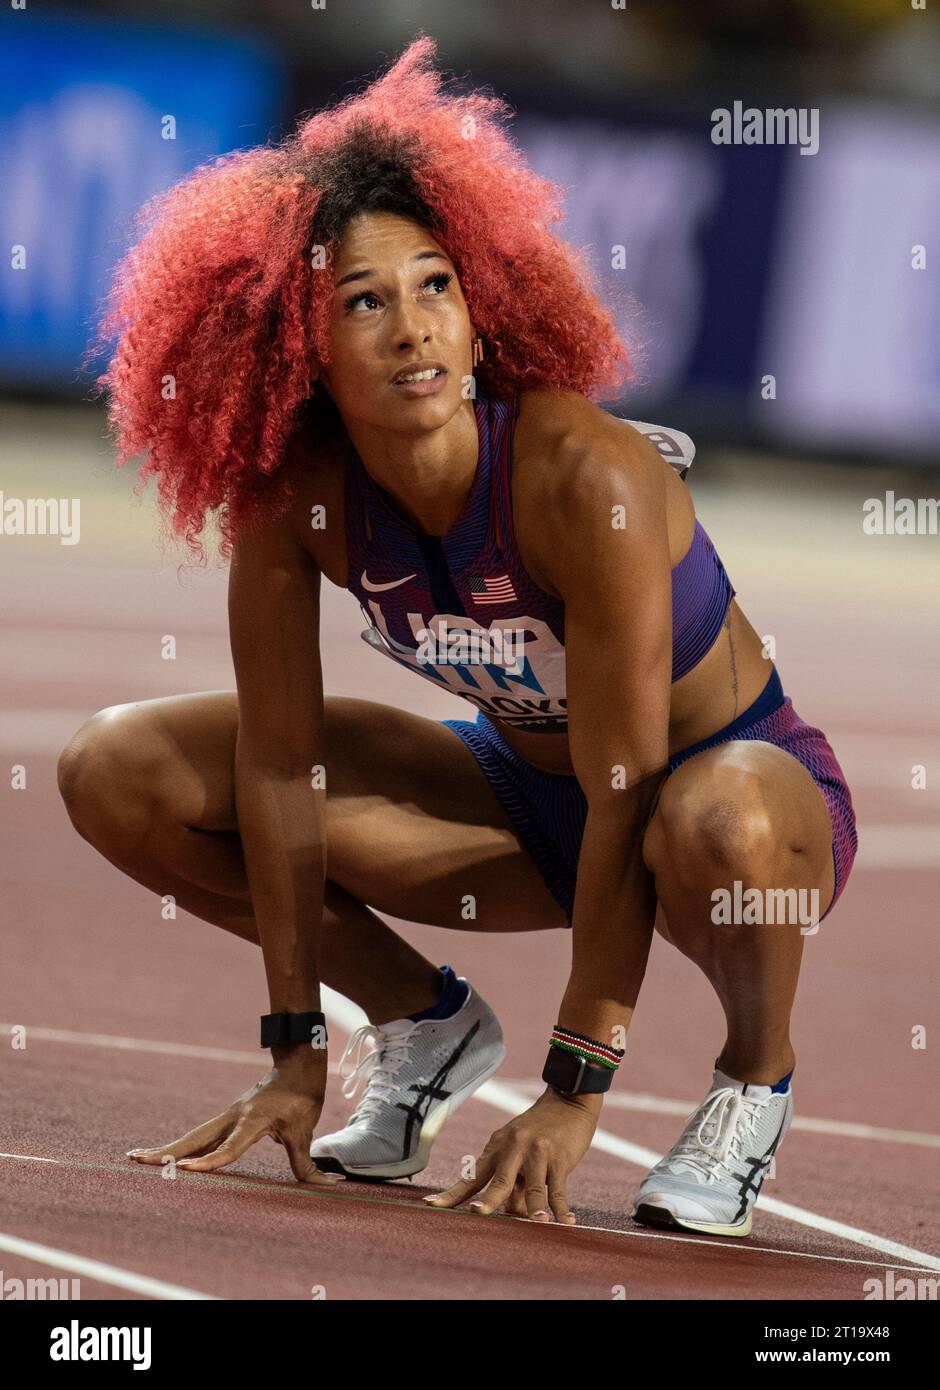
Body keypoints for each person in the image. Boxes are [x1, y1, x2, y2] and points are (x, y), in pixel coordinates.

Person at [59, 37, 857, 1235]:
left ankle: (754, 1083)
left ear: (482, 317)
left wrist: (574, 1086)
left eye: (436, 286)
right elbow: (280, 769)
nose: (411, 328)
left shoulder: (585, 476)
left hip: (716, 808)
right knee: (118, 770)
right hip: (519, 796)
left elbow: (630, 786)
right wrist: (291, 1046)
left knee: (717, 814)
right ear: (304, 353)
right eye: (363, 303)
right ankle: (423, 1025)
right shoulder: (298, 505)